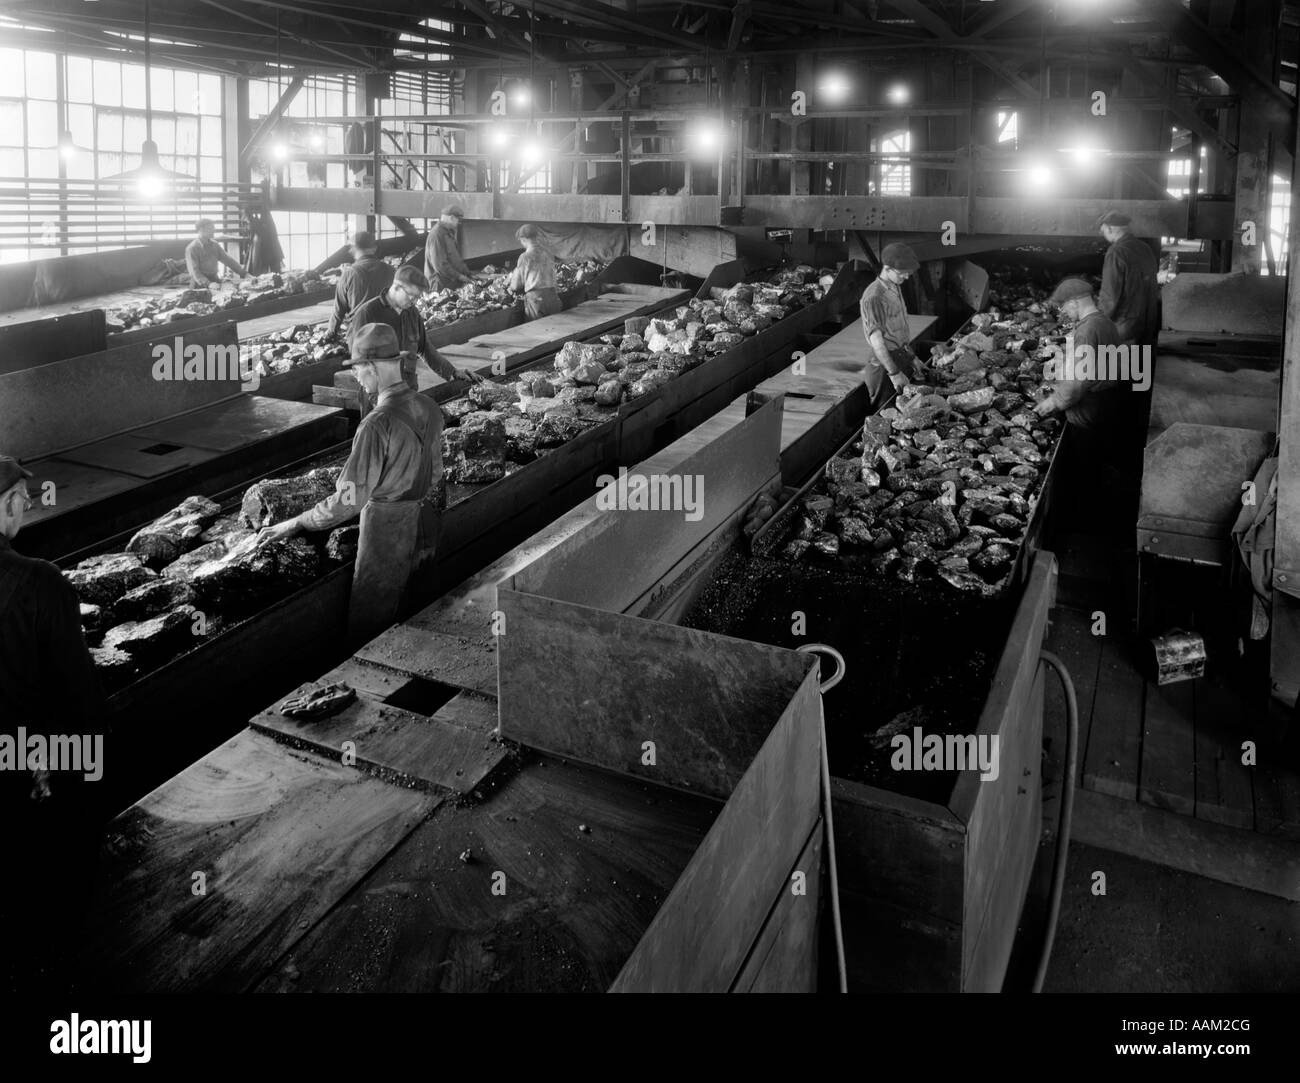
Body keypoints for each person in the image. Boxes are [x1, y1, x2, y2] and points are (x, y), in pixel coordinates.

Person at [256, 325, 446, 645]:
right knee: (418, 615)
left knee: (373, 627)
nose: (357, 377)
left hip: (388, 533)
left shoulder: (376, 424)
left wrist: (298, 521)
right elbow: (437, 473)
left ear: (371, 368)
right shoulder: (428, 406)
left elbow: (349, 500)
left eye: (357, 369)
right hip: (426, 522)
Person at [0, 455, 107, 991]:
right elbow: (77, 696)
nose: (26, 504)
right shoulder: (39, 582)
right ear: (6, 506)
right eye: (21, 497)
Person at [1034, 278, 1134, 537]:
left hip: (1088, 413)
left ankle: (1082, 527)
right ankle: (1097, 513)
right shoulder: (1104, 323)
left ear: (1076, 302)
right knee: (1097, 463)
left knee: (1084, 469)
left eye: (1065, 307)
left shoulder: (1087, 331)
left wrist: (1052, 402)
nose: (1064, 313)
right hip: (1107, 404)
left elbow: (1077, 383)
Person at [349, 265, 484, 401]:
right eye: (411, 296)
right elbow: (360, 364)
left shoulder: (412, 313)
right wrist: (378, 399)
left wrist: (452, 372)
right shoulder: (368, 313)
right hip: (378, 396)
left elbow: (425, 348)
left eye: (417, 297)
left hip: (408, 390)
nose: (414, 301)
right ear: (396, 287)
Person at [860, 242, 924, 410]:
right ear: (887, 269)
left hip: (899, 357)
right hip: (883, 368)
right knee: (884, 416)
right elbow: (878, 343)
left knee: (906, 412)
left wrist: (912, 358)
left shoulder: (894, 286)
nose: (907, 277)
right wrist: (894, 374)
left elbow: (898, 332)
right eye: (902, 273)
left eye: (908, 273)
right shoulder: (875, 297)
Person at [1097, 211, 1160, 351]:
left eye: (1103, 232)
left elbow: (1110, 296)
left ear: (1109, 228)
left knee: (1121, 370)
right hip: (1147, 322)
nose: (1104, 236)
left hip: (1125, 327)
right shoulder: (1145, 248)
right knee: (1142, 368)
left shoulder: (1116, 252)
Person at [325, 230, 395, 339]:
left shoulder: (348, 274)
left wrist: (330, 334)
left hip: (359, 336)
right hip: (388, 334)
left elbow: (338, 312)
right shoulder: (391, 271)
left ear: (352, 250)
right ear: (374, 248)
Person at [509, 224, 562, 320]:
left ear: (523, 239)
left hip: (537, 301)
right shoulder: (548, 253)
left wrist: (511, 284)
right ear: (537, 236)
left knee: (536, 332)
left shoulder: (525, 257)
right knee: (556, 331)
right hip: (553, 297)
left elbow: (516, 285)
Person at [425, 204, 479, 291]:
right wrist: (460, 276)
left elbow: (455, 258)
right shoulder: (437, 235)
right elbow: (440, 265)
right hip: (440, 285)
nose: (458, 223)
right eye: (458, 220)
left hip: (449, 282)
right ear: (452, 218)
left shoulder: (448, 233)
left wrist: (468, 274)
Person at [185, 218, 246, 288]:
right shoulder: (192, 248)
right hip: (198, 284)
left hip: (214, 280)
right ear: (201, 229)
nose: (214, 230)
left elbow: (228, 260)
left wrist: (245, 274)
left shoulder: (215, 245)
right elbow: (194, 272)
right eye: (211, 228)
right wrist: (208, 284)